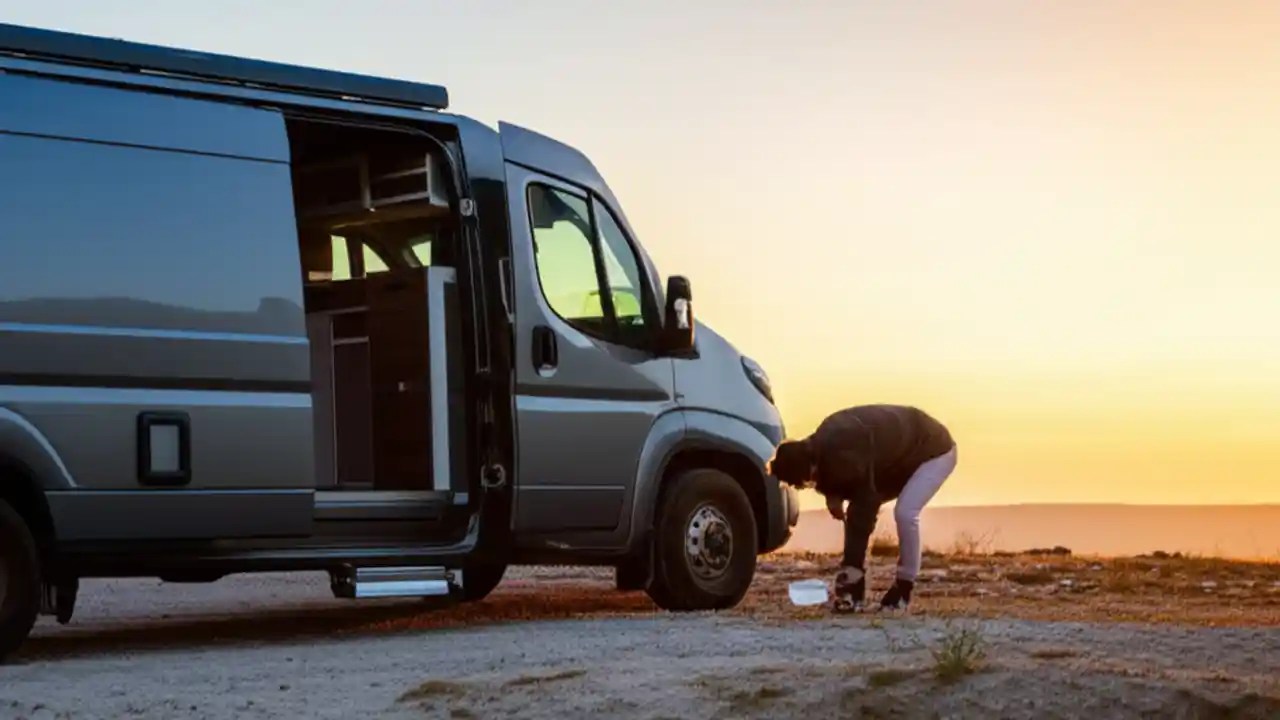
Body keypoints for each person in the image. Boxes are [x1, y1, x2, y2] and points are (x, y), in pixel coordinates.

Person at [771, 405, 957, 612]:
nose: (810, 487)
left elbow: (864, 508)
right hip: (896, 455)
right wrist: (833, 494)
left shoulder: (847, 451)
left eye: (806, 484)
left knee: (905, 512)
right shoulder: (825, 442)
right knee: (864, 513)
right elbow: (834, 472)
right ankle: (855, 588)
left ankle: (904, 588)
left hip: (933, 450)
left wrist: (851, 570)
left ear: (809, 470)